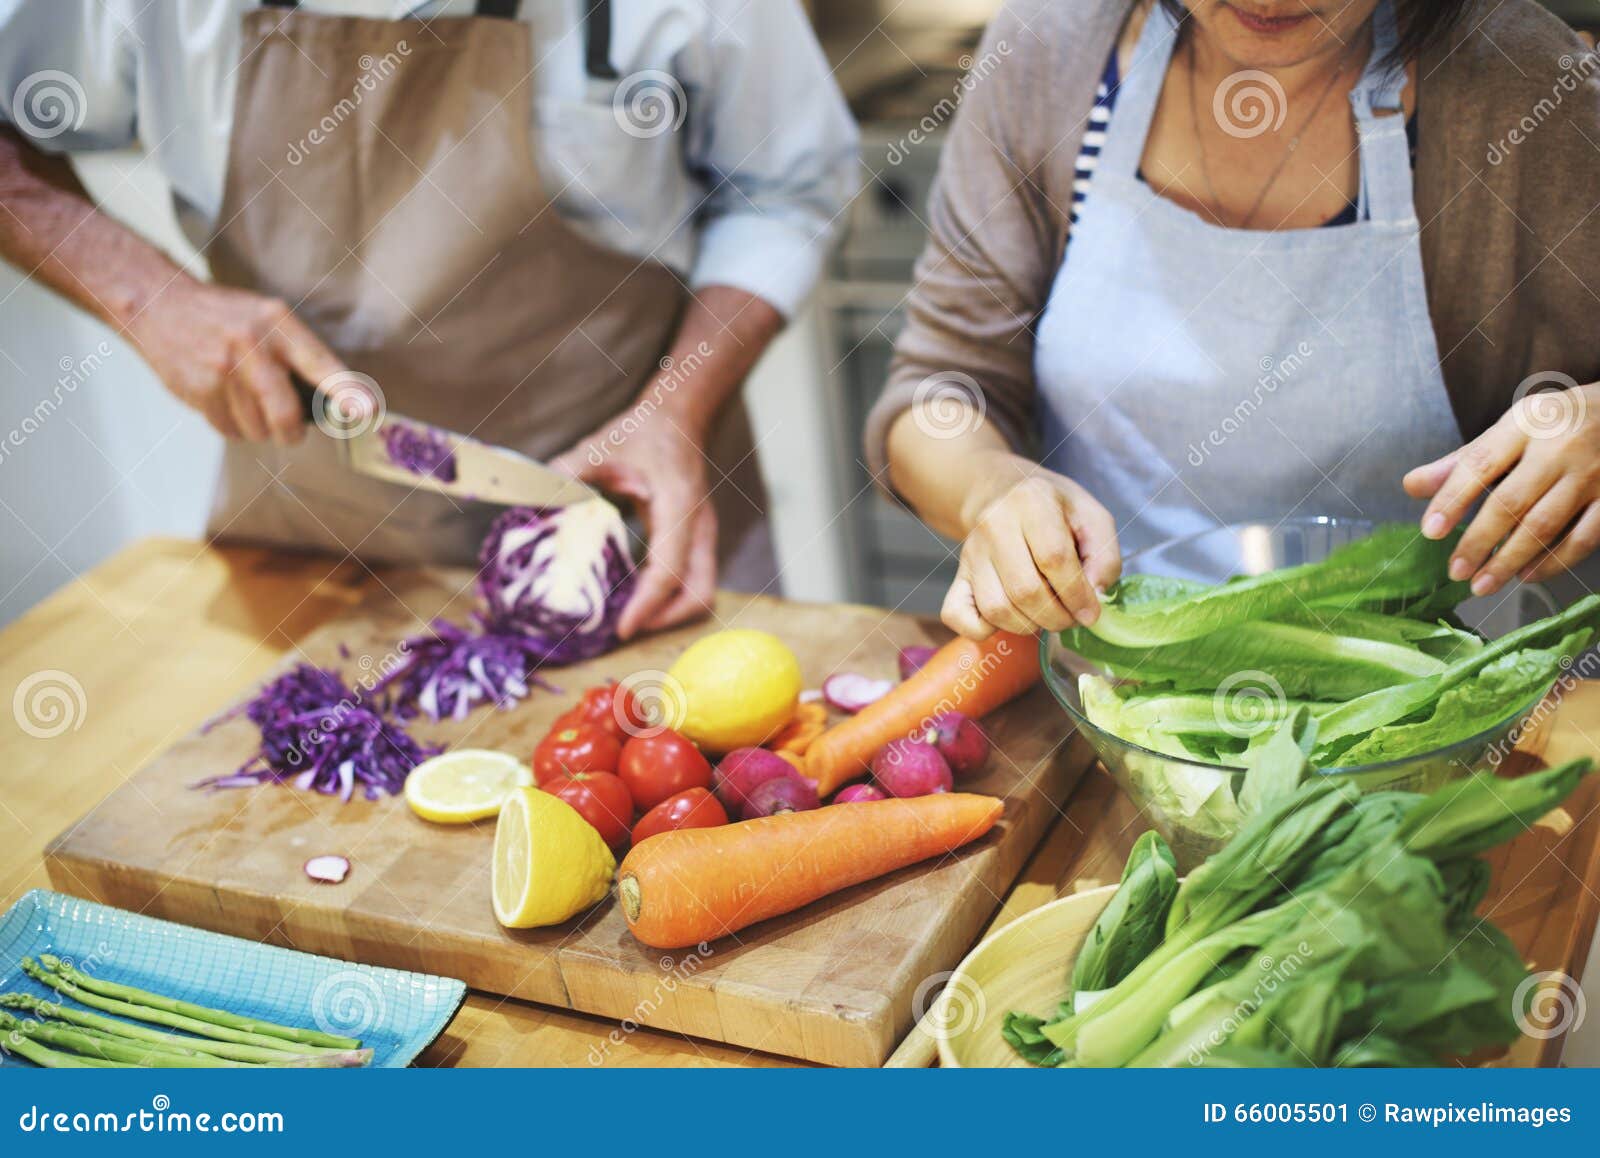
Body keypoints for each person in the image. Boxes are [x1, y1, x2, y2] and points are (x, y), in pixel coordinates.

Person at [0, 0, 858, 638]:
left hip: (630, 522)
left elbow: (787, 188)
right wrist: (152, 300)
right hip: (315, 541)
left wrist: (677, 406)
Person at [869, 0, 1600, 639]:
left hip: (1423, 718)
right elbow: (934, 393)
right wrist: (990, 487)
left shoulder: (1525, 87)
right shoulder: (1049, 51)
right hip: (1110, 707)